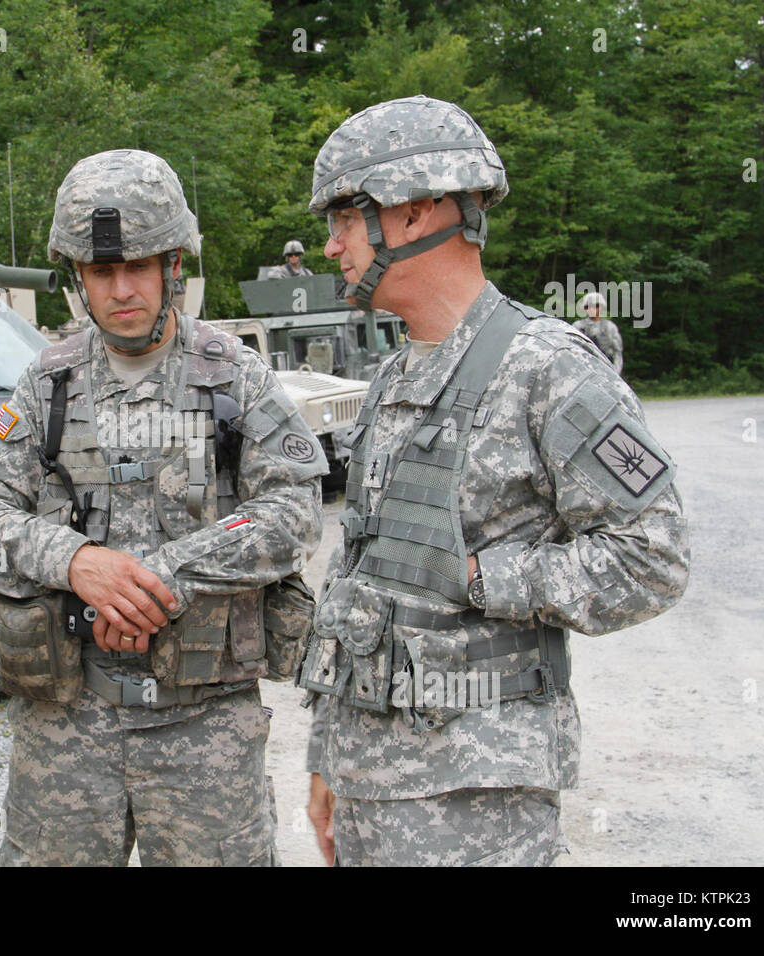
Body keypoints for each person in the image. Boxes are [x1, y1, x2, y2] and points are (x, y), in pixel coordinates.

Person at [300, 96, 689, 866]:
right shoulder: (389, 380)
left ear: (415, 212)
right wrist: (328, 755)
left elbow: (654, 557)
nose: (330, 244)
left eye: (345, 216)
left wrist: (484, 578)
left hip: (477, 798)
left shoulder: (549, 370)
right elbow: (358, 583)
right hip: (373, 780)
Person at [0, 149, 327, 866]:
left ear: (173, 268)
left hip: (204, 730)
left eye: (139, 266)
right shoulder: (48, 385)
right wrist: (77, 562)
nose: (122, 289)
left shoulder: (234, 378)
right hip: (66, 724)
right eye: (102, 272)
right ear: (77, 279)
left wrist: (159, 577)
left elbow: (293, 511)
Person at [573, 291, 624, 374]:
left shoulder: (610, 327)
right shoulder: (577, 326)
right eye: (587, 306)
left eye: (595, 306)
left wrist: (615, 373)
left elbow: (617, 353)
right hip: (584, 370)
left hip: (606, 370)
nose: (591, 309)